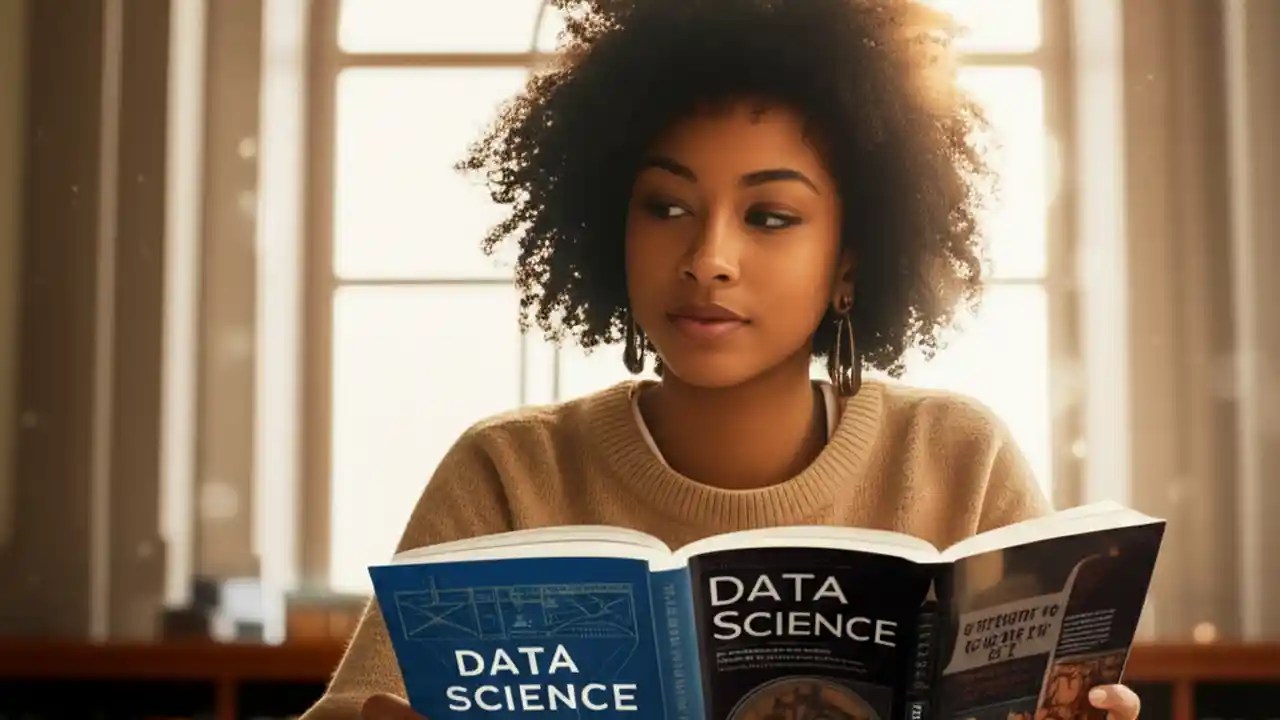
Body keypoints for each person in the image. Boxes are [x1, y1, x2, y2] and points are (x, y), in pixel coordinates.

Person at [303, 0, 1141, 718]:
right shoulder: (507, 474)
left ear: (849, 262)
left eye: (770, 216)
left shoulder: (960, 460)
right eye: (666, 205)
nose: (708, 257)